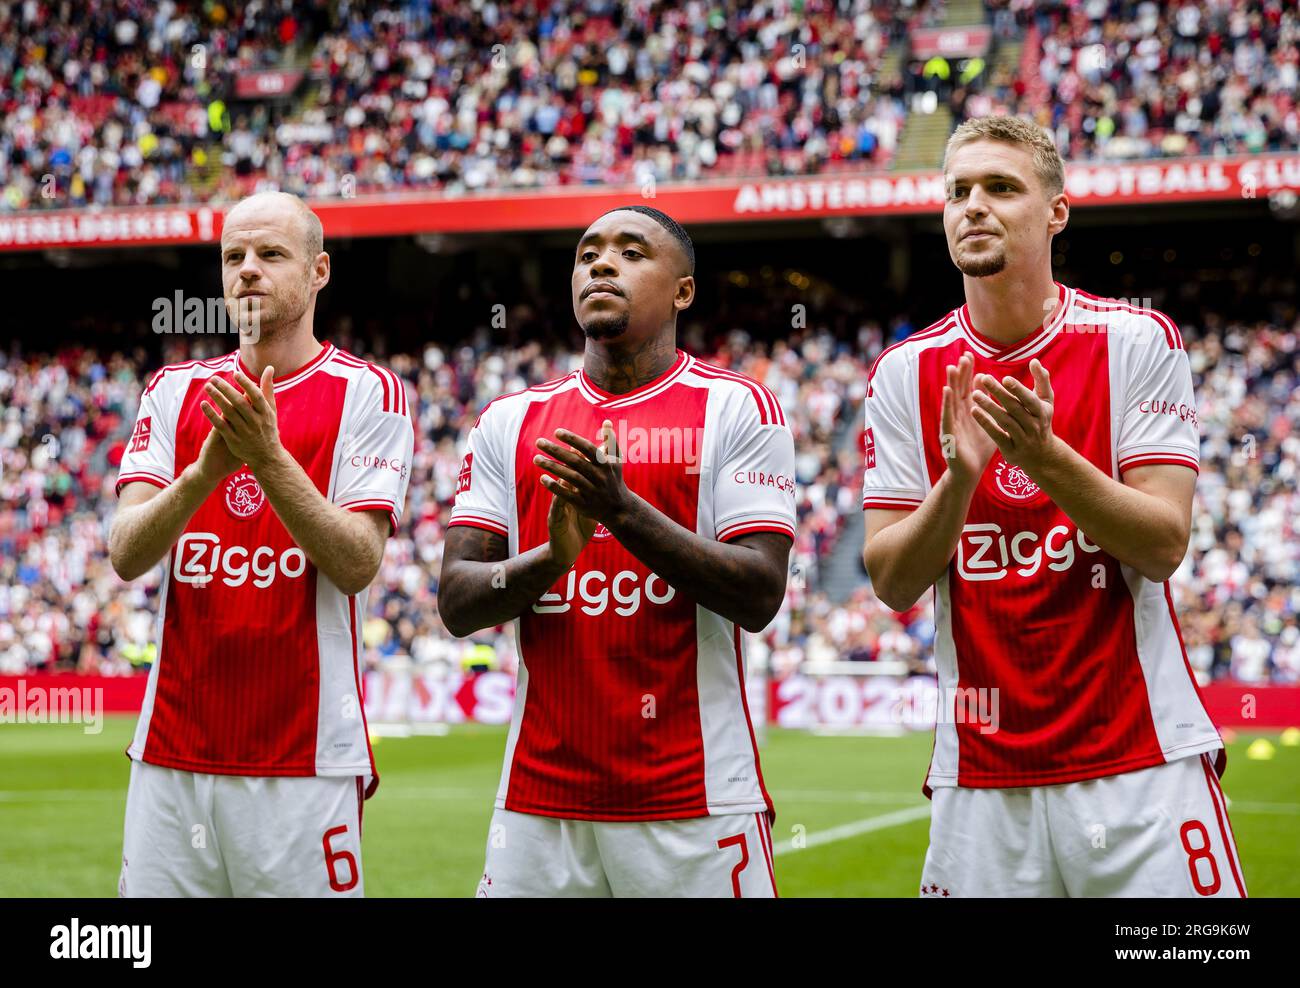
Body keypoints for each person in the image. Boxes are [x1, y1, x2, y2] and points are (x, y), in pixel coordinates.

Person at [861, 116, 1245, 897]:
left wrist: (1045, 457)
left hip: (1141, 761)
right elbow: (893, 582)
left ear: (1056, 211)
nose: (974, 206)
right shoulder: (904, 373)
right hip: (981, 774)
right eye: (958, 191)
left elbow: (1164, 544)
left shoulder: (1136, 340)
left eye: (1001, 187)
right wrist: (958, 481)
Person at [439, 205, 794, 897]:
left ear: (683, 291)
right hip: (538, 807)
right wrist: (550, 560)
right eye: (587, 254)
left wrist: (620, 510)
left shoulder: (738, 408)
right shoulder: (509, 421)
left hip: (694, 800)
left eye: (632, 252)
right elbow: (456, 601)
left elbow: (759, 594)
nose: (602, 264)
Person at [109, 191, 415, 896]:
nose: (248, 270)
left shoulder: (369, 394)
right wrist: (203, 475)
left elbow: (357, 563)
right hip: (172, 756)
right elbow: (125, 552)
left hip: (304, 759)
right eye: (234, 257)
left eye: (271, 254)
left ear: (318, 272)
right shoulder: (174, 388)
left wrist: (268, 459)